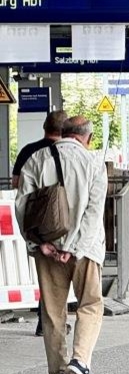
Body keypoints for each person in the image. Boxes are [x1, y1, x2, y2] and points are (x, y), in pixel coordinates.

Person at [15, 116, 107, 374]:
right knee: (90, 304)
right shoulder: (94, 163)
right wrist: (74, 247)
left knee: (54, 312)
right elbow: (93, 213)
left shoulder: (37, 159)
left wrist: (38, 243)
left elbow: (22, 206)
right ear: (86, 138)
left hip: (47, 249)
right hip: (85, 250)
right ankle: (80, 361)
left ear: (62, 134)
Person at [11, 110, 68, 337]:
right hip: (60, 218)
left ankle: (46, 320)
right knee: (59, 275)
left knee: (43, 272)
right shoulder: (67, 152)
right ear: (64, 131)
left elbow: (16, 182)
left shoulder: (28, 151)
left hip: (34, 220)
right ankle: (49, 322)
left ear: (44, 127)